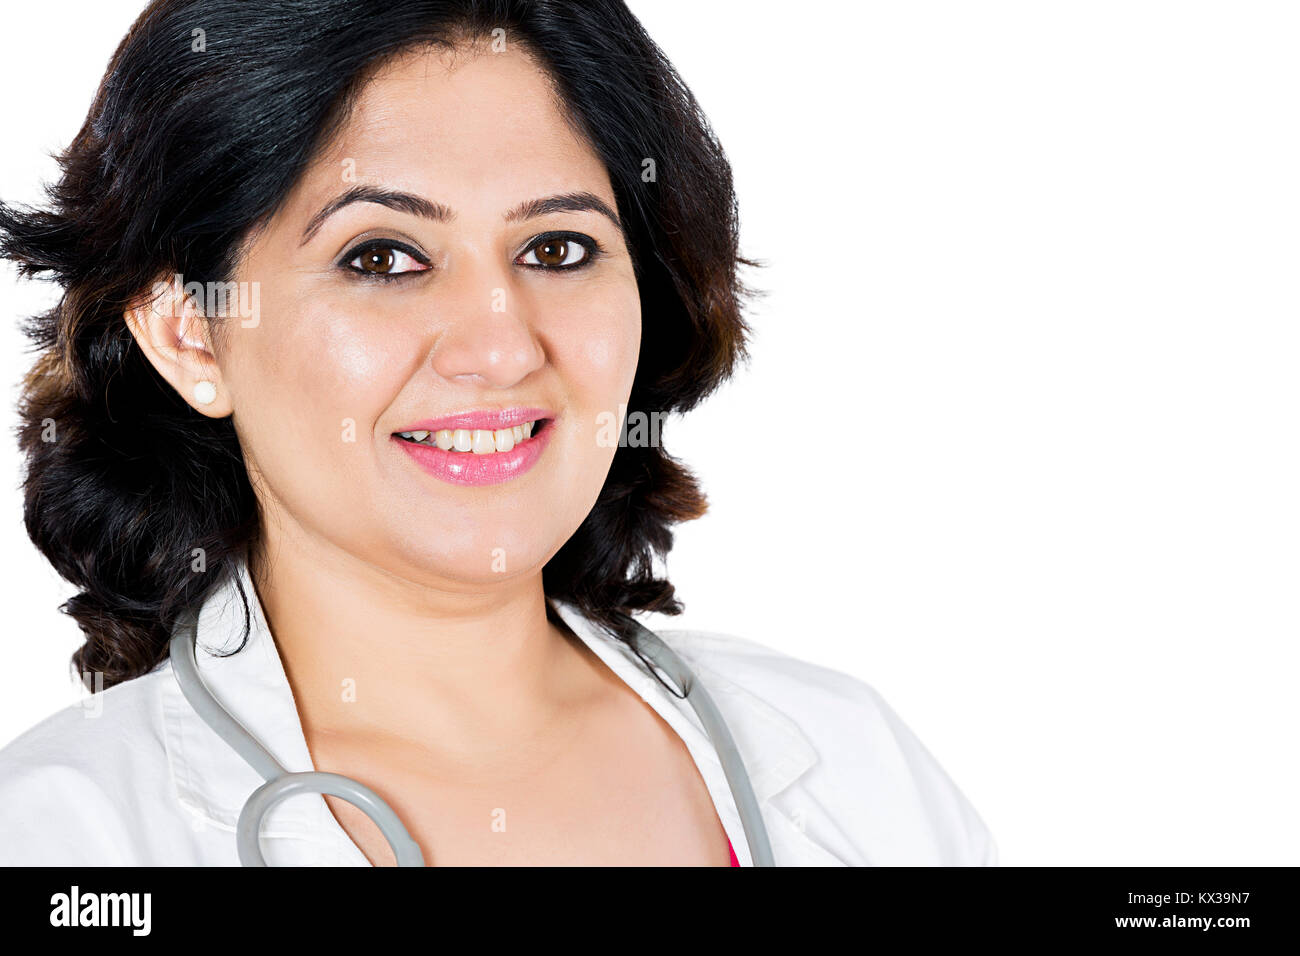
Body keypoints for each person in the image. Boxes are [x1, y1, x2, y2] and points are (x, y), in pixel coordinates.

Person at [0, 0, 997, 866]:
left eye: (557, 247)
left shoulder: (856, 763)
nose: (499, 346)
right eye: (382, 256)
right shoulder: (62, 832)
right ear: (191, 332)